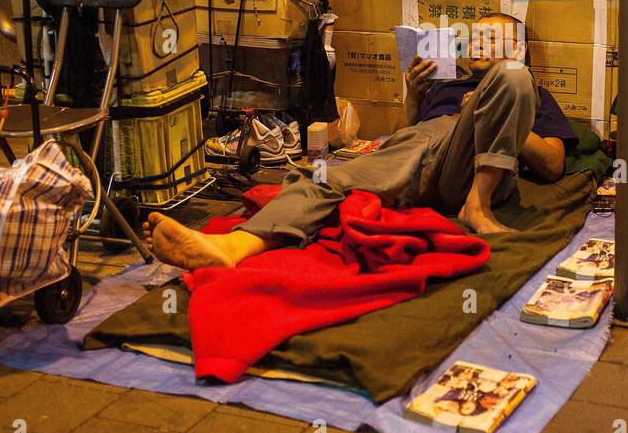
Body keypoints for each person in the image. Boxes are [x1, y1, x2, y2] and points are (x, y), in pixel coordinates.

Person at [145, 13, 576, 269]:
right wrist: (416, 95)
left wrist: (500, 118)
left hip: (476, 165)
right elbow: (408, 138)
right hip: (422, 154)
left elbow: (554, 164)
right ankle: (231, 247)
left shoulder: (526, 87)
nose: (480, 43)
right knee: (324, 175)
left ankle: (475, 207)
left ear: (516, 47)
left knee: (511, 81)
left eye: (493, 37)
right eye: (476, 36)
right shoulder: (447, 83)